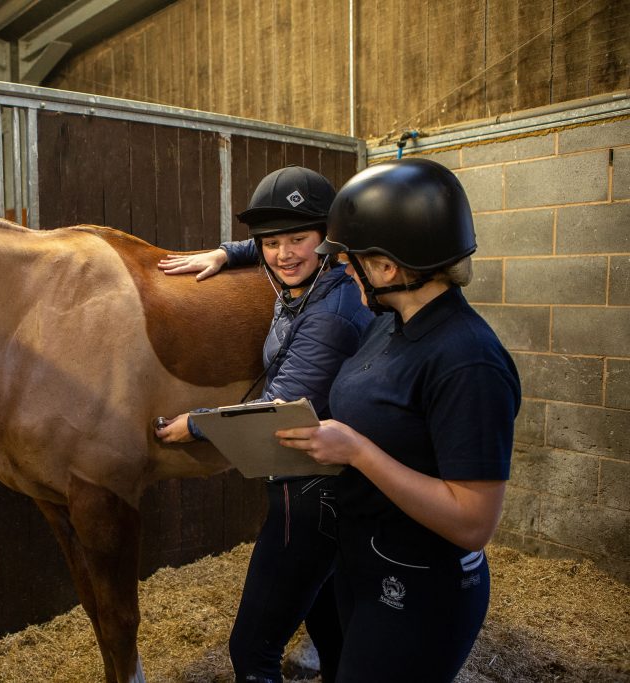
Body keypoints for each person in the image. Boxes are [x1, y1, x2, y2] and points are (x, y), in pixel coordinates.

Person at [277, 158, 521, 682]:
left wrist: (357, 451)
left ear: (387, 267)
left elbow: (473, 522)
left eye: (349, 258)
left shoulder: (466, 359)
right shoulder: (390, 324)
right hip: (365, 564)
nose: (342, 269)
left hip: (420, 592)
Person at [155, 165, 373, 683]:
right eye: (272, 242)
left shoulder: (330, 315)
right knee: (329, 624)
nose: (283, 253)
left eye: (298, 239)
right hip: (322, 485)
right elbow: (268, 250)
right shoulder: (312, 279)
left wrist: (198, 424)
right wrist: (227, 253)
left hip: (310, 486)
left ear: (327, 240)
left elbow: (277, 409)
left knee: (252, 650)